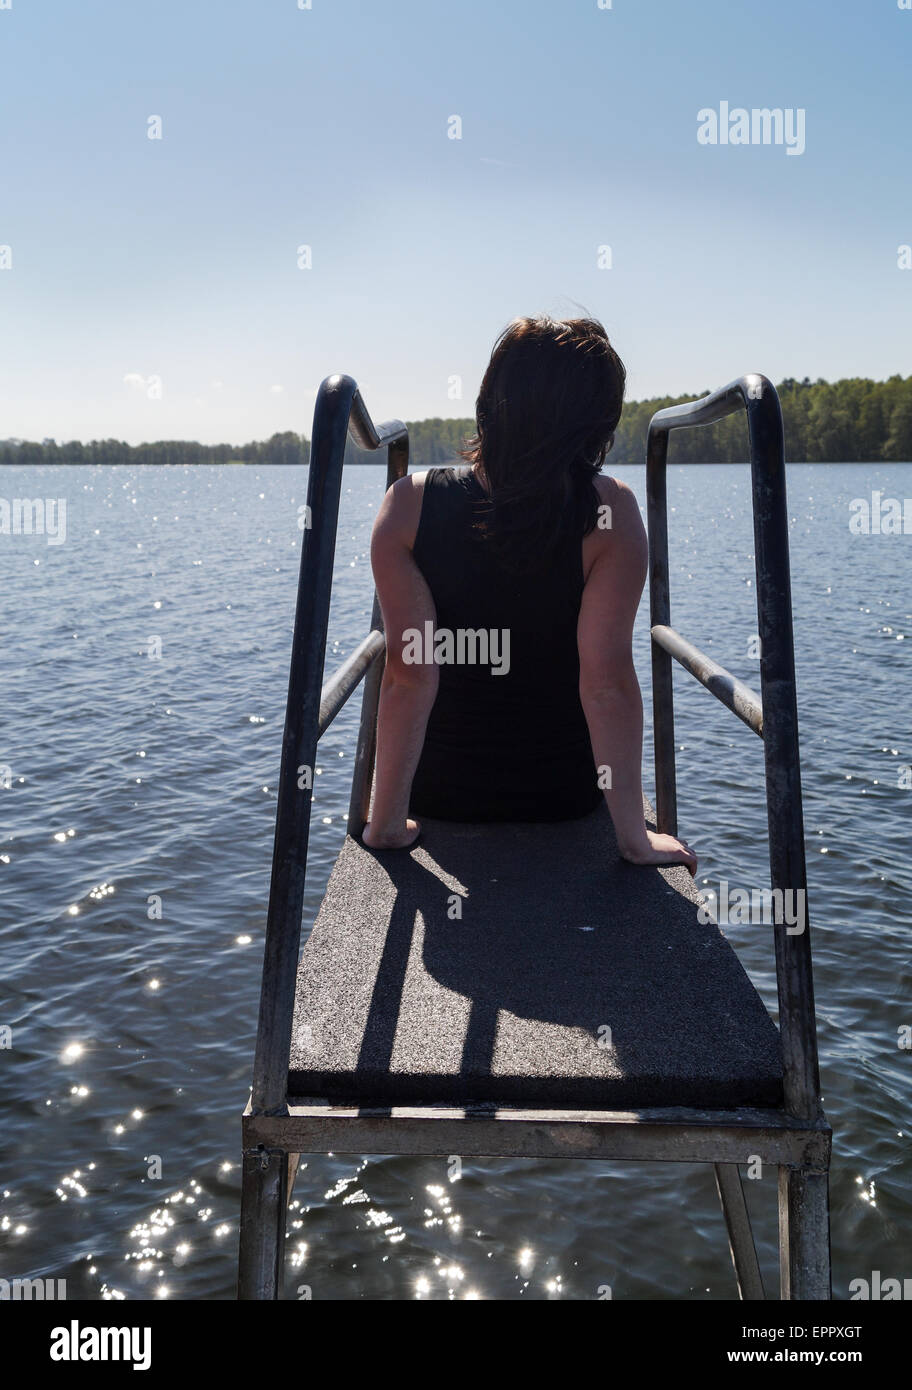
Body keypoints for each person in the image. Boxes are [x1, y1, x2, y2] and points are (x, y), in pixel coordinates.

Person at [361, 314, 696, 875]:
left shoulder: (407, 505)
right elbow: (607, 683)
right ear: (595, 424)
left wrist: (388, 824)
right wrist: (635, 839)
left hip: (440, 792)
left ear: (490, 400)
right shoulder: (612, 513)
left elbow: (409, 674)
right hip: (561, 796)